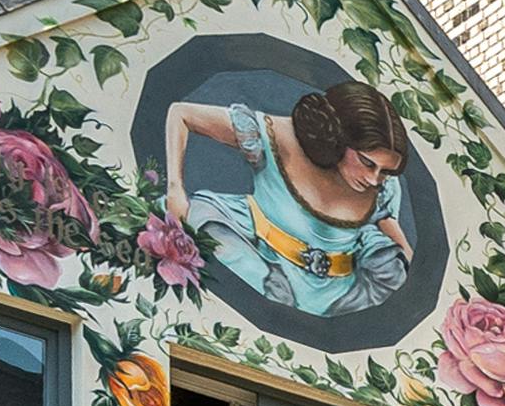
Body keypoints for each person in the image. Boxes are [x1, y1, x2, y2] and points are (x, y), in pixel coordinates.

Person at [164, 77, 418, 316]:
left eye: (385, 171)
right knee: (204, 226)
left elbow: (395, 238)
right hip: (259, 263)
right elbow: (181, 114)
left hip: (338, 293)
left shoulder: (382, 187)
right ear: (338, 137)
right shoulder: (277, 136)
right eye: (367, 162)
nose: (373, 179)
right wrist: (176, 189)